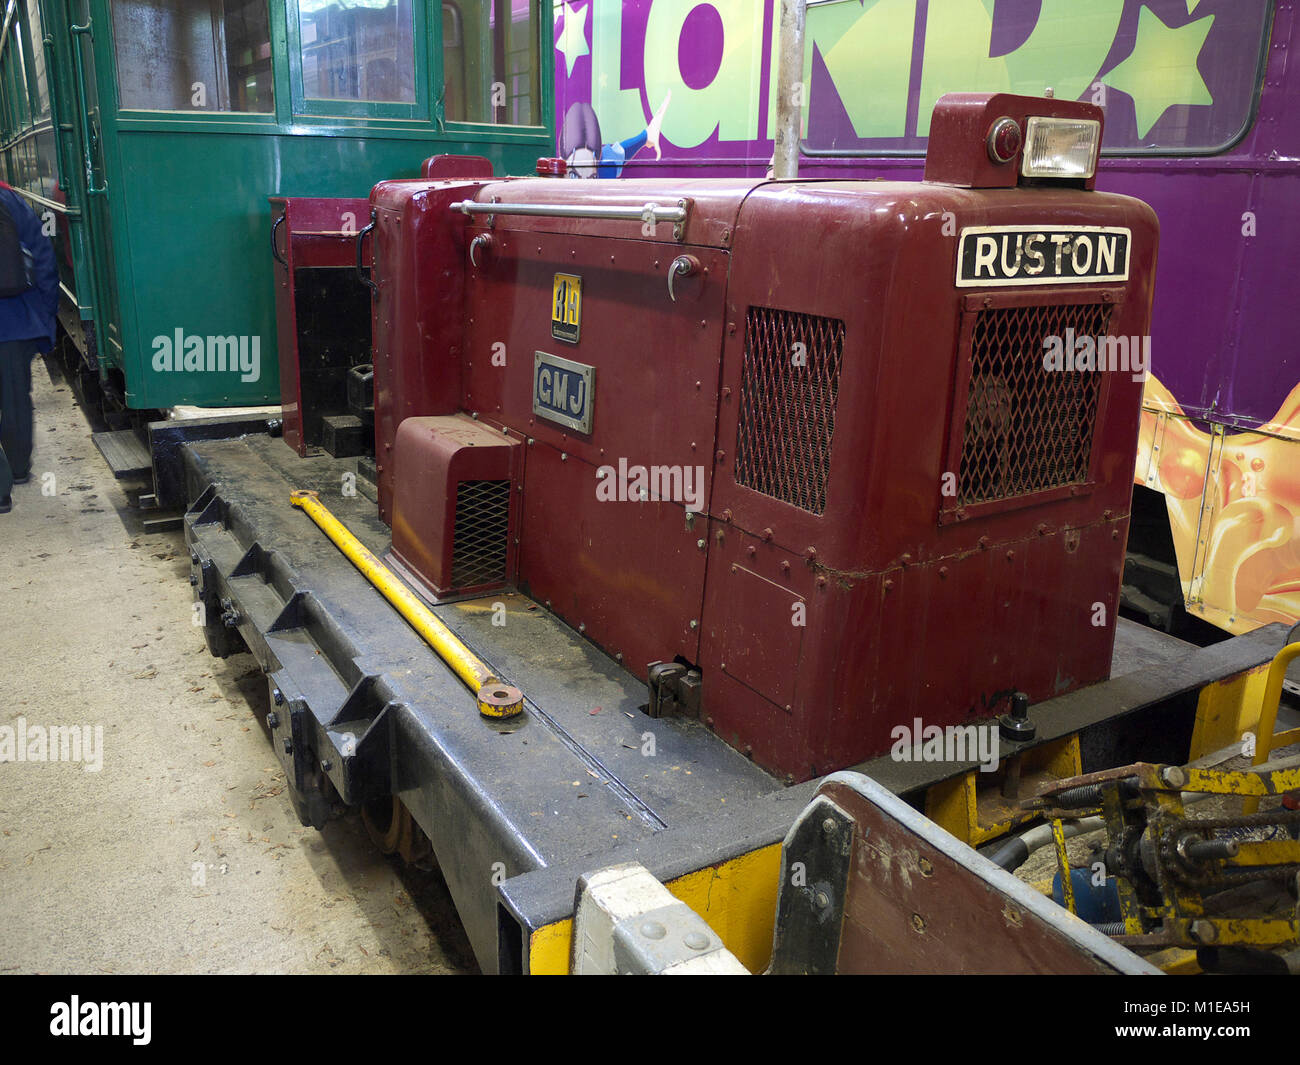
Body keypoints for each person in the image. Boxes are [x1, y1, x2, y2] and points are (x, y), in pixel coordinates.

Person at [0, 180, 59, 514]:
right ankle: (20, 469)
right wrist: (45, 314)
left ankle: (0, 493)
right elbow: (43, 260)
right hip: (16, 321)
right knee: (16, 401)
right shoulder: (13, 201)